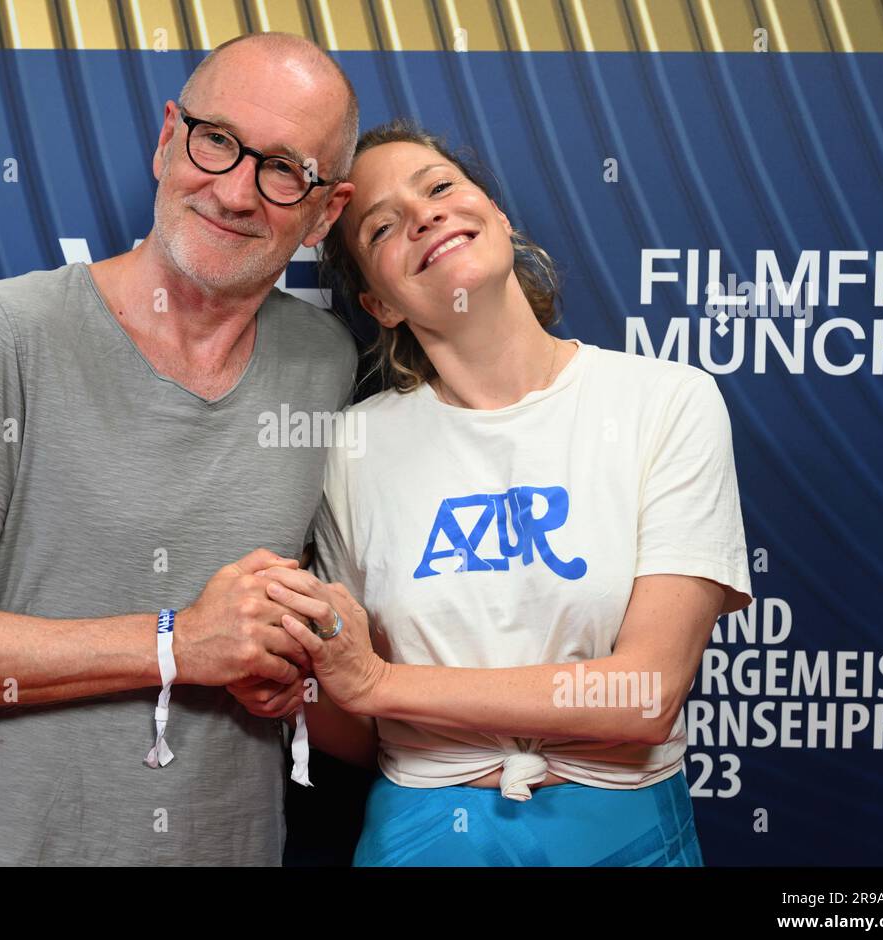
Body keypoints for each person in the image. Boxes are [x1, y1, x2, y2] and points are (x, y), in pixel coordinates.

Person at [0, 32, 364, 866]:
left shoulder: (326, 361)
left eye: (282, 169)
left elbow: (291, 629)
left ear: (324, 212)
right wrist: (177, 643)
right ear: (169, 138)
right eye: (218, 141)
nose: (236, 192)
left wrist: (291, 668)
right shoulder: (9, 330)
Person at [227, 118, 753, 866]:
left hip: (624, 833)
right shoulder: (350, 450)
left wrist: (382, 682)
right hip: (420, 836)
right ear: (378, 303)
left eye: (440, 187)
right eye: (383, 227)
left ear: (497, 215)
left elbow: (642, 696)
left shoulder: (667, 401)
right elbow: (361, 724)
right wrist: (306, 683)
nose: (426, 215)